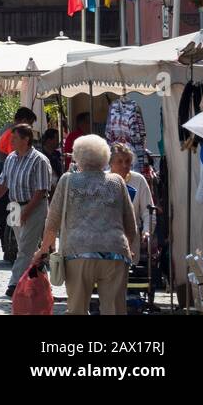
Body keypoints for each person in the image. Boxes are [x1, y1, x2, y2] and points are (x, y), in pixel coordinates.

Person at [34, 135, 138, 315]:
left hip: (78, 253)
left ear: (77, 156)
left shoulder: (67, 181)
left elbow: (52, 222)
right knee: (114, 310)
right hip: (115, 253)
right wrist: (127, 247)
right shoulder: (116, 182)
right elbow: (131, 225)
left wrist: (42, 250)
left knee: (77, 309)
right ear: (105, 157)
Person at [0, 122, 53, 298]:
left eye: (14, 138)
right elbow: (3, 182)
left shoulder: (39, 160)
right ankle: (40, 278)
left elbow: (41, 191)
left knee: (25, 248)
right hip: (15, 206)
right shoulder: (10, 158)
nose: (11, 141)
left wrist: (27, 211)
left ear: (26, 139)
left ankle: (14, 284)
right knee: (23, 246)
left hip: (34, 206)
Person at [108, 142, 154, 240]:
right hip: (107, 241)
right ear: (111, 163)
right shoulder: (102, 180)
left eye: (127, 161)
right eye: (120, 161)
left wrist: (147, 231)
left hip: (131, 239)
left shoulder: (139, 180)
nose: (124, 165)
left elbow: (148, 211)